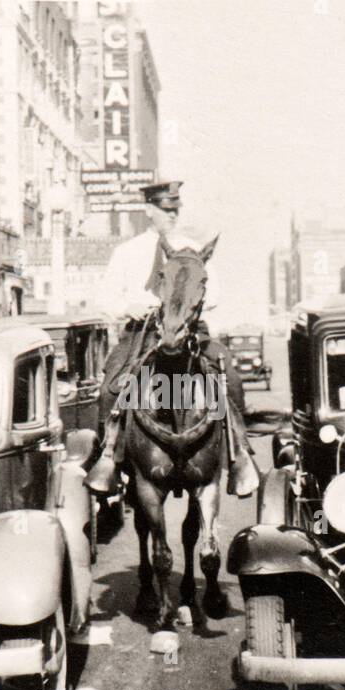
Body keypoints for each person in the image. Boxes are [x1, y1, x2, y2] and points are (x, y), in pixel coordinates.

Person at [86, 180, 258, 496]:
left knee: (228, 374)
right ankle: (109, 456)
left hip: (188, 328)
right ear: (149, 210)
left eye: (176, 209)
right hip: (143, 331)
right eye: (166, 210)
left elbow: (214, 293)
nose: (172, 215)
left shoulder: (192, 250)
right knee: (112, 384)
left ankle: (240, 453)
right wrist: (130, 306)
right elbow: (105, 298)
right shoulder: (127, 252)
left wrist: (186, 306)